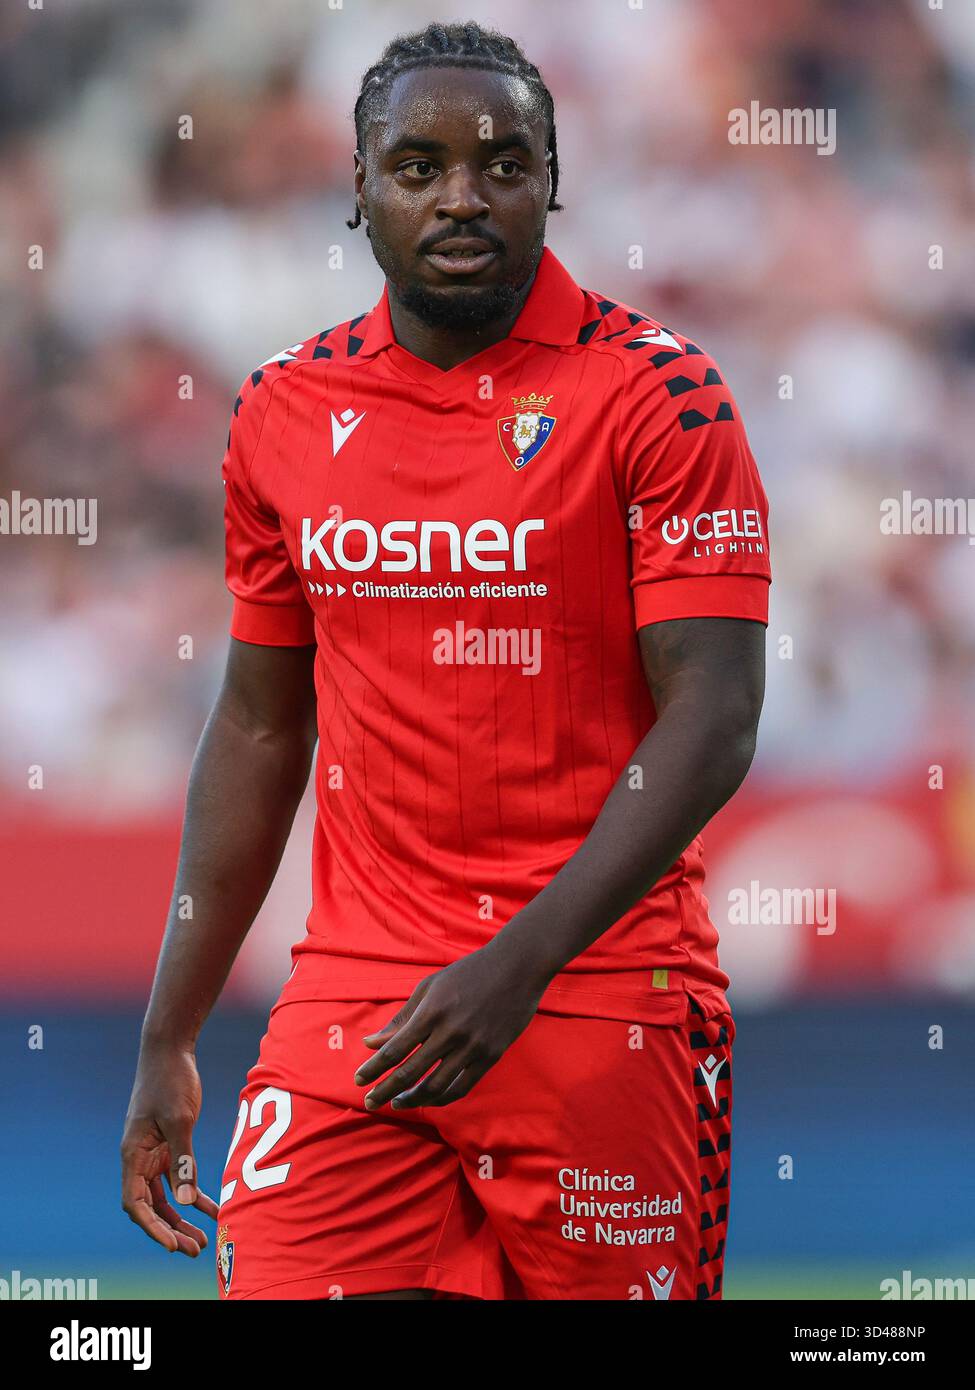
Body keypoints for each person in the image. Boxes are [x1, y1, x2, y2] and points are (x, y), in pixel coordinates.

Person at [121, 20, 770, 1302]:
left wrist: (521, 961)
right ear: (357, 189)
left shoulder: (662, 398)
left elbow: (716, 717)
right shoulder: (282, 412)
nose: (462, 196)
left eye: (503, 164)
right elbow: (258, 731)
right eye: (417, 166)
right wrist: (171, 1032)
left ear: (554, 180)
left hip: (597, 994)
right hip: (356, 1006)